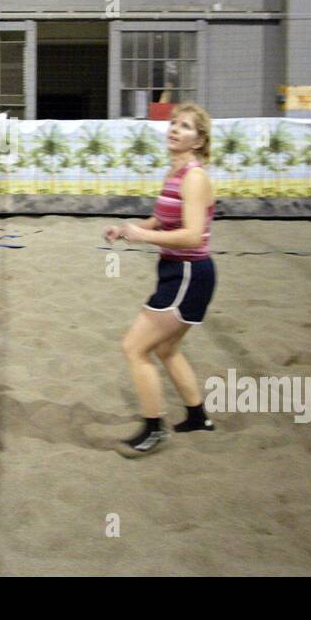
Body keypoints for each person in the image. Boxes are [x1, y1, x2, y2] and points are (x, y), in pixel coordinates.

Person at [105, 103, 217, 457]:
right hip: (176, 272)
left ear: (199, 141)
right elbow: (159, 221)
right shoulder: (175, 173)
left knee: (134, 348)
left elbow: (193, 236)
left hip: (188, 273)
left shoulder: (195, 177)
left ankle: (154, 429)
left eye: (184, 127)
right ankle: (198, 417)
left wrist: (144, 238)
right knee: (167, 350)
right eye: (172, 124)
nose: (174, 130)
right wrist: (127, 230)